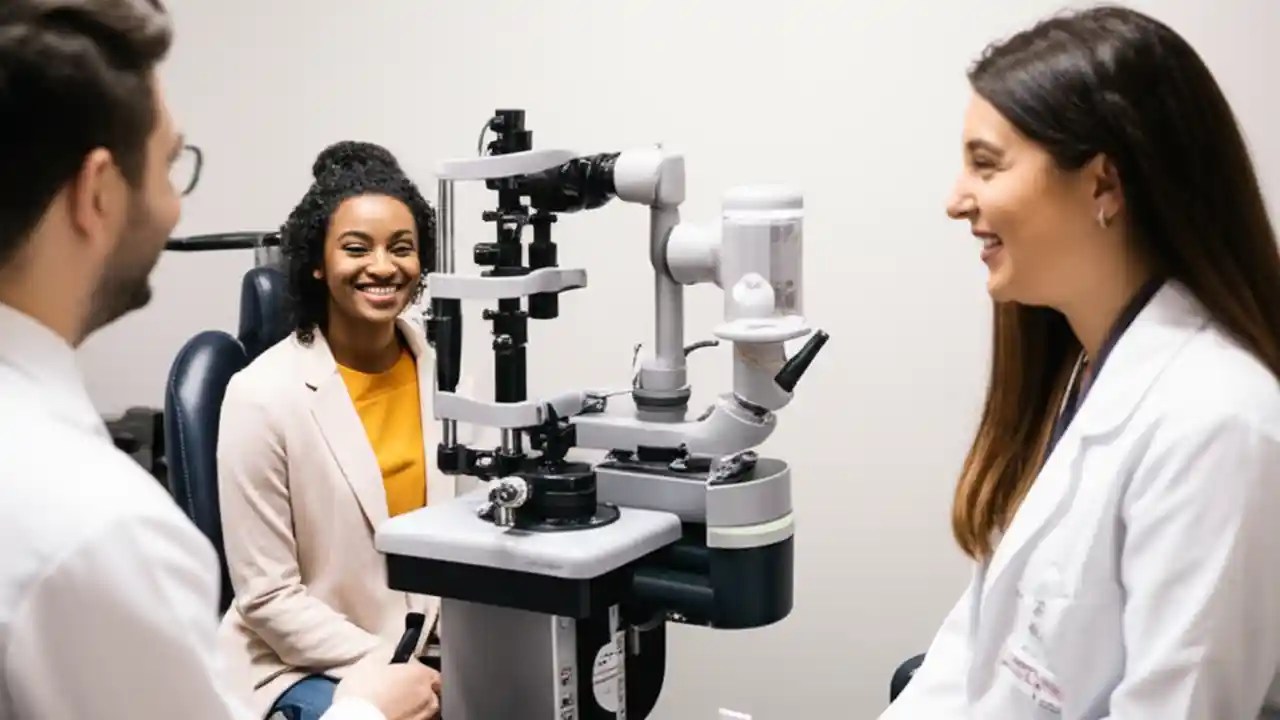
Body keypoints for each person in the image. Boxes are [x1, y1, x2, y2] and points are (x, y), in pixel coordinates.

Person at [0, 2, 440, 719]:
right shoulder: (102, 526)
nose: (176, 206)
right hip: (327, 669)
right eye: (171, 166)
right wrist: (367, 705)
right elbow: (269, 600)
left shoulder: (44, 474)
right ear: (99, 192)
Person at [880, 6, 1280, 719]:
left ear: (1103, 184)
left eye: (986, 164)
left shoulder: (1219, 426)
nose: (955, 200)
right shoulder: (1087, 375)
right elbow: (979, 653)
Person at [215, 140, 475, 720]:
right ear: (317, 261)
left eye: (401, 248)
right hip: (299, 662)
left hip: (431, 654)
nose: (382, 266)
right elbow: (268, 597)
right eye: (357, 248)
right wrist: (396, 669)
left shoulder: (450, 376)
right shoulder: (261, 396)